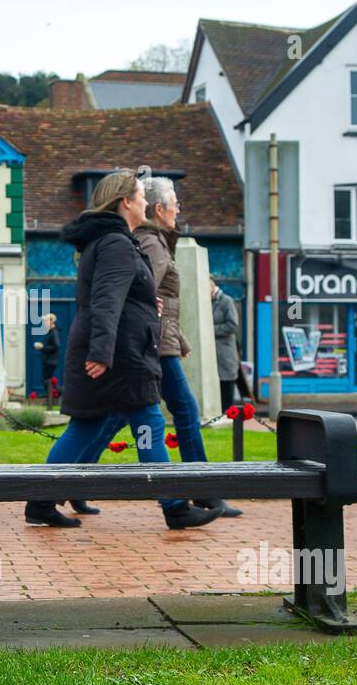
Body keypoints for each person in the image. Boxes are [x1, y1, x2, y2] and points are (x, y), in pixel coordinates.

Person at [24, 170, 216, 530]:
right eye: (142, 196)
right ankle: (174, 507)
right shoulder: (115, 242)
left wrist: (148, 304)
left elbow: (118, 295)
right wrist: (100, 353)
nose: (145, 201)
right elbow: (106, 300)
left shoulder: (111, 240)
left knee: (86, 427)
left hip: (118, 352)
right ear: (126, 201)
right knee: (150, 424)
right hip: (121, 358)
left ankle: (40, 501)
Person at [68, 177, 240, 519]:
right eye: (172, 201)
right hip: (147, 345)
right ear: (155, 208)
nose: (178, 208)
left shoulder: (147, 241)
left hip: (153, 341)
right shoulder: (144, 244)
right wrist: (107, 349)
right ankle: (195, 494)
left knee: (110, 420)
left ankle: (68, 486)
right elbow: (127, 298)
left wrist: (180, 338)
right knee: (181, 412)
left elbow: (150, 300)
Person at [210, 278, 240, 413]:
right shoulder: (207, 301)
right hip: (212, 357)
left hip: (225, 356)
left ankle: (229, 420)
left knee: (226, 390)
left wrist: (210, 330)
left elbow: (233, 325)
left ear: (211, 287)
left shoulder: (226, 301)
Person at [33, 312, 60, 401]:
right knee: (47, 380)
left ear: (51, 321)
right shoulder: (50, 332)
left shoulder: (54, 332)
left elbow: (56, 346)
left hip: (50, 361)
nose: (44, 323)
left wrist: (42, 347)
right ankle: (51, 398)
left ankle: (53, 398)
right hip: (48, 361)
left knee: (47, 381)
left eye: (46, 321)